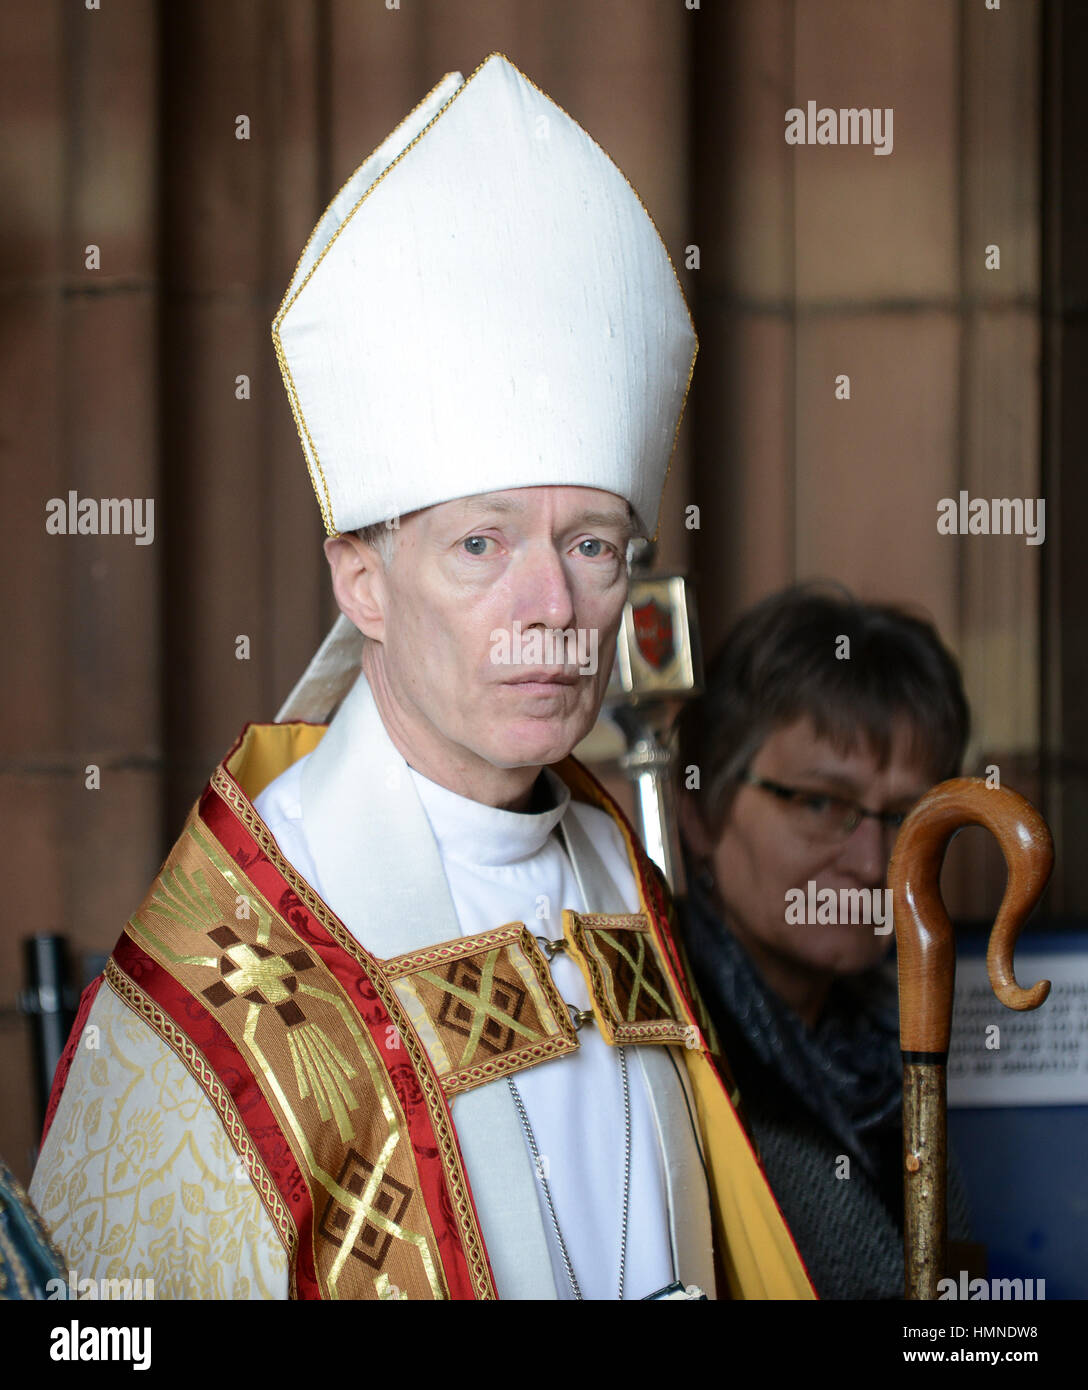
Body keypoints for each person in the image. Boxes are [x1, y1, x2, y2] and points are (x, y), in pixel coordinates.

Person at [28, 54, 813, 1301]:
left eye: (591, 545)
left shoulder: (616, 870)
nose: (551, 606)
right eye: (481, 544)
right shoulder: (233, 976)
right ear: (362, 583)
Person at [675, 583, 972, 1299]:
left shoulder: (895, 1047)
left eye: (908, 816)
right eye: (819, 803)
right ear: (701, 814)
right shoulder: (666, 1053)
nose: (873, 863)